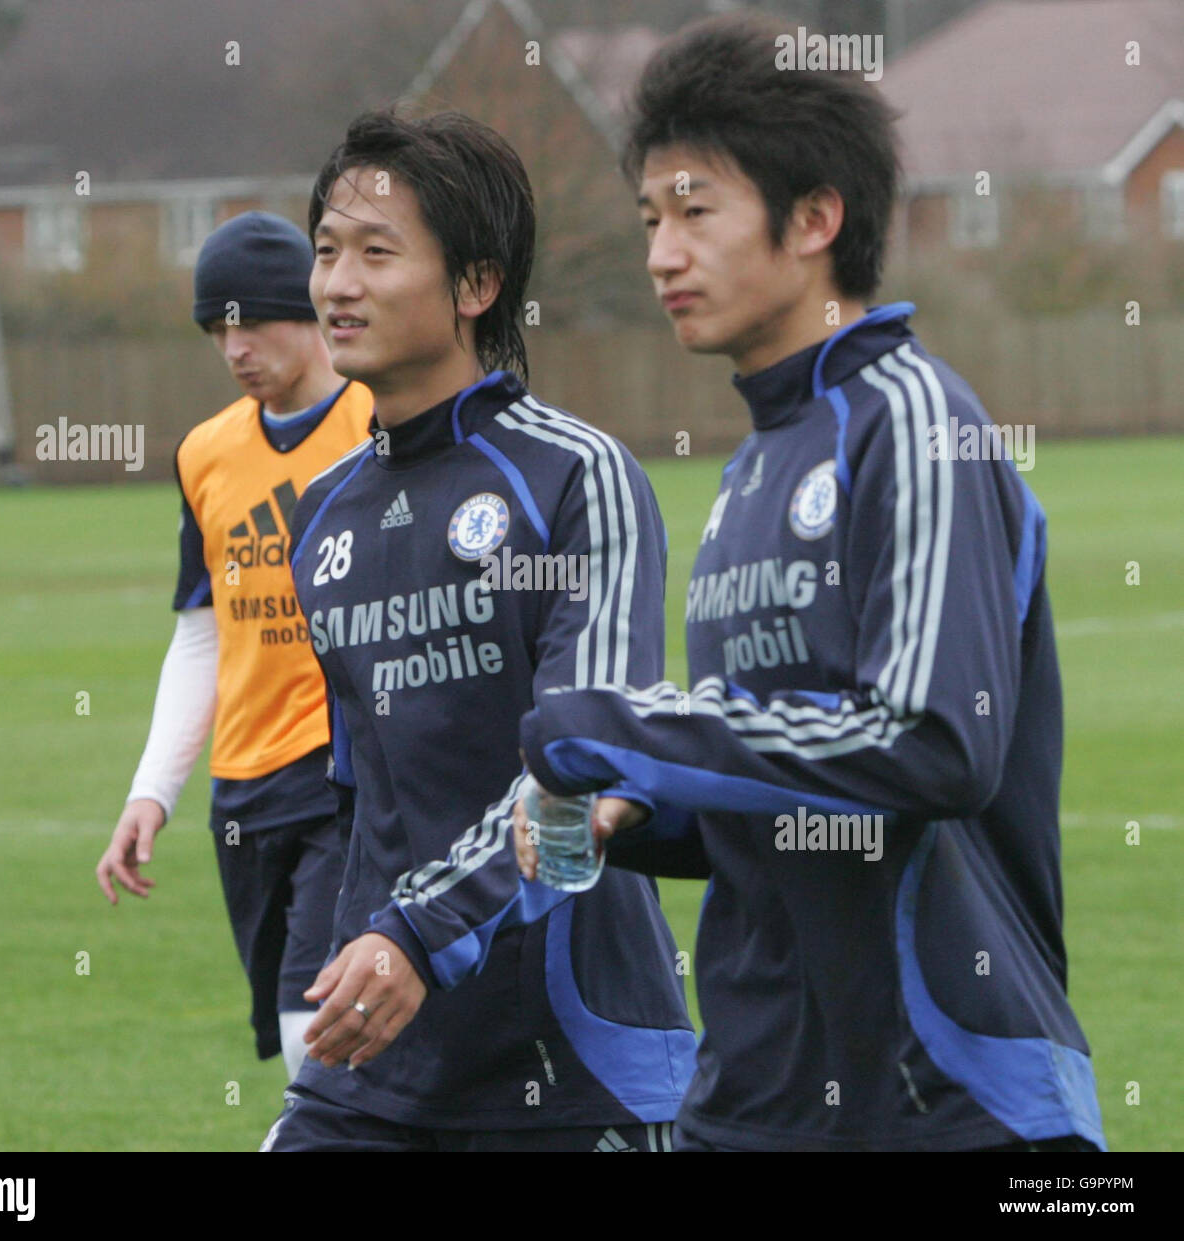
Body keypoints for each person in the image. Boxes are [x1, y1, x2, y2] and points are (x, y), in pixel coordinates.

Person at [515, 13, 1107, 1152]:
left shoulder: (919, 425)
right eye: (648, 219)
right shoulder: (750, 469)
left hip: (947, 1093)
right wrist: (644, 810)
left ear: (815, 219)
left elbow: (934, 744)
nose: (660, 254)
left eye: (694, 211)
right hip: (756, 1098)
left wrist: (632, 727)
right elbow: (783, 784)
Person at [260, 110, 695, 1153]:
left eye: (375, 251)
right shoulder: (319, 511)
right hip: (373, 1067)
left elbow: (582, 767)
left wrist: (423, 930)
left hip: (570, 1059)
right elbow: (362, 787)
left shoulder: (574, 479)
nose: (337, 284)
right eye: (325, 251)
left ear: (475, 284)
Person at [95, 212, 372, 1079]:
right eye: (218, 325)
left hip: (345, 771)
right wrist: (152, 790)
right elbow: (201, 634)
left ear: (313, 310)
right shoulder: (205, 454)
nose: (234, 344)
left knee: (316, 1020)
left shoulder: (379, 422)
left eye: (252, 319)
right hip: (245, 794)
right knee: (297, 1027)